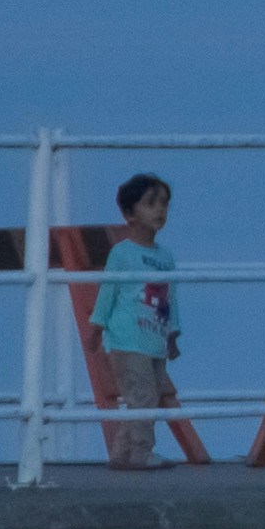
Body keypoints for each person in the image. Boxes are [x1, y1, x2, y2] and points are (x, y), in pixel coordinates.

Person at [91, 174, 185, 470]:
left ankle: (122, 454)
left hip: (154, 339)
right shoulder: (122, 253)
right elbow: (108, 291)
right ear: (129, 213)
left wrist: (172, 335)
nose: (160, 211)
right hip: (127, 339)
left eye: (164, 204)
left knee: (146, 397)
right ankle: (142, 452)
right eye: (150, 204)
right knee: (141, 396)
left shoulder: (166, 257)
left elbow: (171, 297)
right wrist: (97, 326)